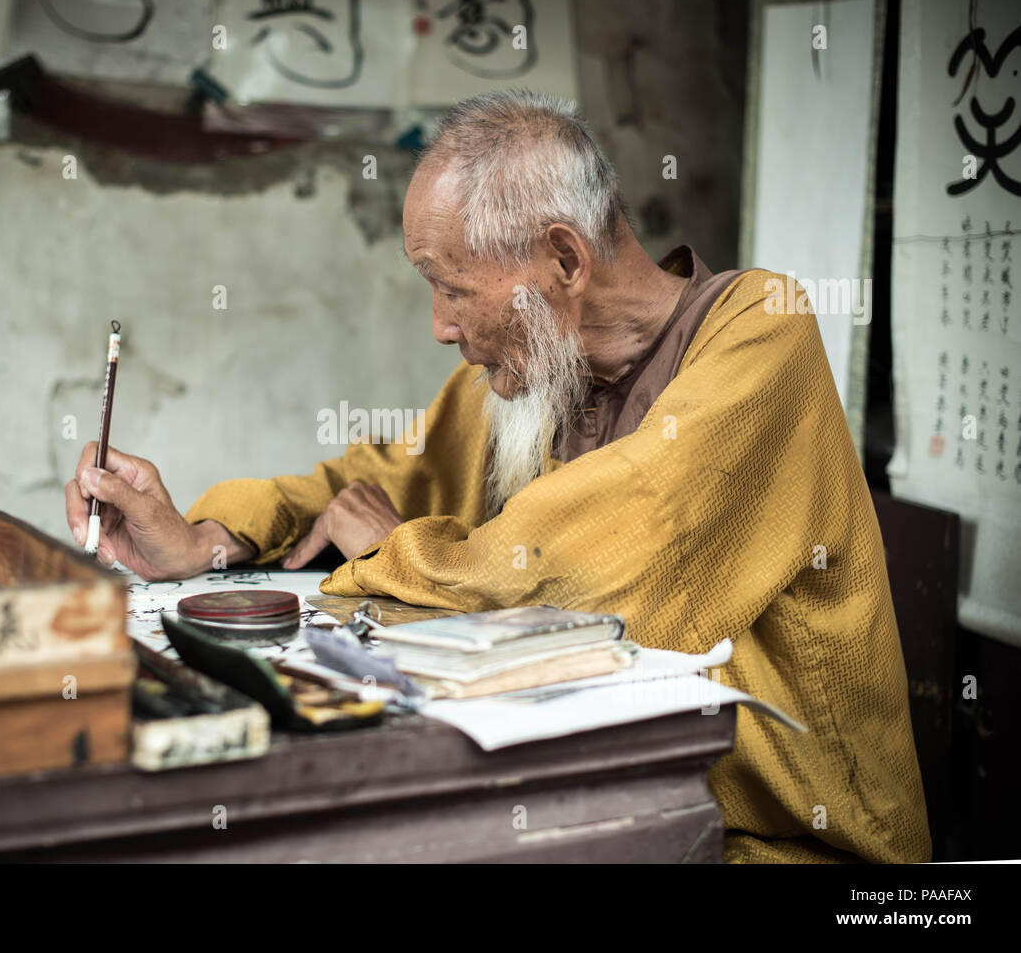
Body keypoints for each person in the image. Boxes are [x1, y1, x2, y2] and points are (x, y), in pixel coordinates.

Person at [64, 90, 931, 864]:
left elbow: (591, 568)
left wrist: (394, 552)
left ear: (563, 260)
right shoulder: (534, 373)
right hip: (607, 798)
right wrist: (209, 542)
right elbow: (370, 475)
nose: (440, 327)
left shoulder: (760, 333)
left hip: (779, 841)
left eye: (452, 288)